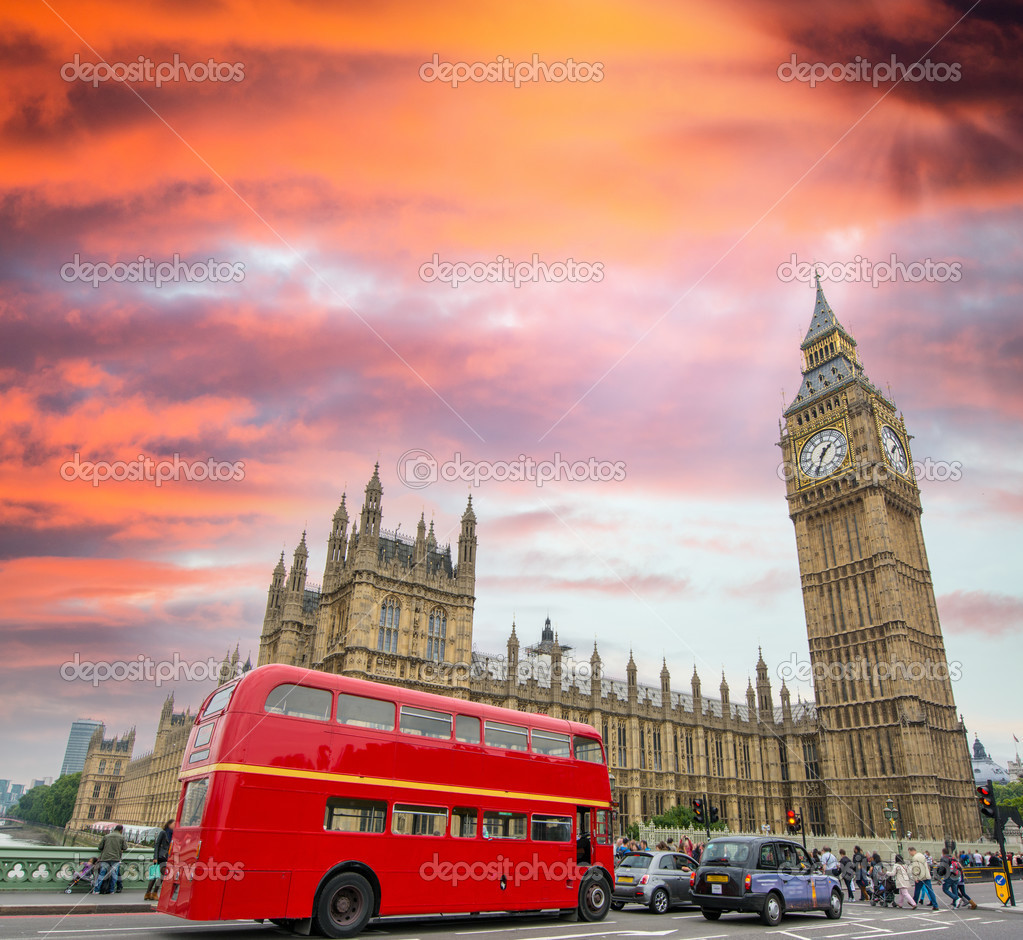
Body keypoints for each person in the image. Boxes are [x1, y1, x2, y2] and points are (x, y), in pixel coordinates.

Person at [93, 825, 126, 894]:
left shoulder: (107, 836)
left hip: (105, 858)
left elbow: (100, 847)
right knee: (114, 876)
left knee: (102, 875)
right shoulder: (122, 837)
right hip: (115, 858)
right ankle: (111, 890)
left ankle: (96, 890)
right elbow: (125, 847)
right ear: (121, 830)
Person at [145, 820, 174, 901]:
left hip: (167, 857)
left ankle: (152, 893)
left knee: (160, 876)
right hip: (160, 857)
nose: (175, 825)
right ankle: (150, 893)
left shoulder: (174, 834)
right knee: (156, 875)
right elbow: (157, 845)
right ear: (169, 824)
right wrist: (155, 857)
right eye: (174, 823)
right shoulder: (163, 833)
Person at [908, 846, 940, 910]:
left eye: (909, 852)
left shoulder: (915, 858)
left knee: (917, 890)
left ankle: (914, 902)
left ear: (912, 851)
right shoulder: (922, 855)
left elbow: (915, 868)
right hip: (926, 875)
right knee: (930, 890)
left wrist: (915, 877)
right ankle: (935, 904)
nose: (910, 854)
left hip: (920, 877)